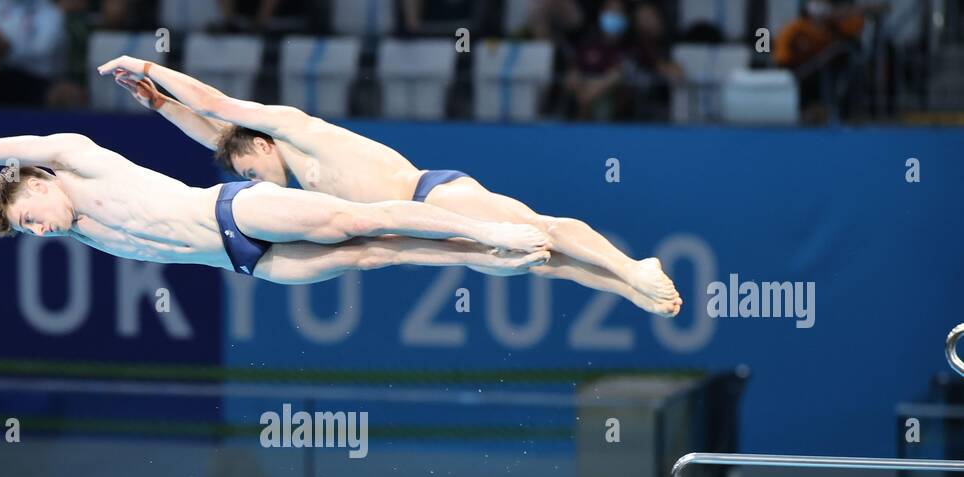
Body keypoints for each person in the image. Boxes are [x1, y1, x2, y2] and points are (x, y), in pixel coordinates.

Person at [106, 55, 680, 314]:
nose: (256, 185)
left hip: (432, 196)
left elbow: (220, 107)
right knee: (539, 260)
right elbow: (212, 136)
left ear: (261, 143)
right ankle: (627, 289)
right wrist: (157, 105)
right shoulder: (279, 167)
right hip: (420, 223)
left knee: (540, 227)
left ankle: (634, 268)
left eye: (251, 172)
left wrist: (155, 69)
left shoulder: (294, 128)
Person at [0, 120, 553, 286]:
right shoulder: (73, 229)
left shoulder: (75, 157)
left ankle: (491, 230)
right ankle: (496, 255)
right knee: (379, 253)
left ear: (37, 182)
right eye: (28, 232)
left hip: (232, 212)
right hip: (243, 263)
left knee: (356, 219)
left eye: (31, 216)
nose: (39, 232)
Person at [0, 0, 65, 108]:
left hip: (35, 78)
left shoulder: (50, 12)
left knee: (65, 95)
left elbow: (43, 50)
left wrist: (7, 48)